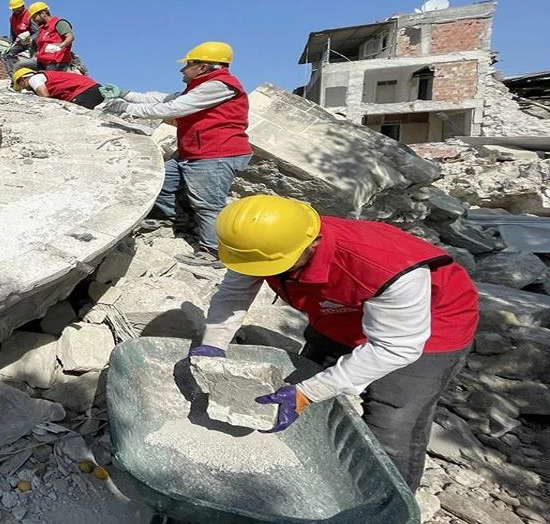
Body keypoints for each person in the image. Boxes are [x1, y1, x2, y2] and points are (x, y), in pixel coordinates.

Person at [190, 194, 479, 490]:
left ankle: (386, 502)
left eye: (270, 266)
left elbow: (396, 347)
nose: (262, 273)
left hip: (429, 326)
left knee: (392, 423)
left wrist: (308, 392)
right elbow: (235, 294)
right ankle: (303, 473)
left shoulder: (382, 266)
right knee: (306, 385)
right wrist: (214, 344)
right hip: (339, 313)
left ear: (312, 244)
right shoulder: (263, 243)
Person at [104, 42, 252, 266]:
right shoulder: (200, 86)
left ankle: (214, 251)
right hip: (195, 153)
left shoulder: (219, 86)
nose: (181, 70)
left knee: (207, 204)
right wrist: (126, 94)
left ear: (203, 67)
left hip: (215, 154)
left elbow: (172, 109)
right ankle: (177, 221)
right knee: (159, 181)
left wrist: (125, 109)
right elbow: (161, 99)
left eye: (187, 65)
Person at [11, 67, 104, 108]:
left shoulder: (33, 78)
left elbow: (45, 97)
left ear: (23, 80)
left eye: (21, 86)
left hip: (84, 92)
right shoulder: (45, 76)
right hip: (91, 89)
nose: (24, 89)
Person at [1, 0, 37, 75]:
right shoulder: (12, 18)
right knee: (7, 55)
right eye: (13, 9)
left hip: (31, 42)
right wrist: (10, 44)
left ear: (22, 6)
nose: (15, 10)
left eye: (17, 8)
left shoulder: (29, 15)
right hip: (20, 42)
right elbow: (12, 32)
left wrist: (31, 39)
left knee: (33, 59)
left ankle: (33, 74)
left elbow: (37, 31)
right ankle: (12, 74)